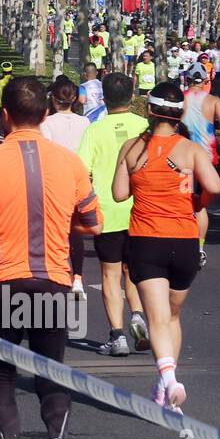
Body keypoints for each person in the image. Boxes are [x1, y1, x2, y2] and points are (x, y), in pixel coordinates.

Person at [0, 78, 102, 439]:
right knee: (52, 373)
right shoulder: (71, 163)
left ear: (4, 116)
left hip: (5, 281)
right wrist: (66, 228)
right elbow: (93, 223)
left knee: (3, 378)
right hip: (55, 281)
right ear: (46, 113)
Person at [112, 81, 220, 411]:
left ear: (149, 109)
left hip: (147, 240)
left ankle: (170, 380)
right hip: (185, 241)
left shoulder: (132, 148)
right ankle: (165, 388)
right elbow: (214, 186)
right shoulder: (190, 150)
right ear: (180, 113)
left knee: (156, 319)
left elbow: (118, 194)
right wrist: (197, 200)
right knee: (172, 316)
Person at [76, 73, 150, 356]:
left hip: (106, 210)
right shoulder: (145, 127)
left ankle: (117, 336)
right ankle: (138, 315)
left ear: (103, 98)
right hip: (140, 209)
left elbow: (82, 170)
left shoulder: (95, 129)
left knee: (110, 273)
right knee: (133, 271)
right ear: (133, 96)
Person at [40, 78, 91, 298]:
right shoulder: (85, 122)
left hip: (55, 182)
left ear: (53, 98)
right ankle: (78, 278)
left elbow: (46, 153)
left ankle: (57, 274)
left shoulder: (47, 123)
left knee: (53, 231)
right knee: (75, 231)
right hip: (81, 181)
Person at [181, 63, 220, 267]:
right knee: (200, 206)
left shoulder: (181, 98)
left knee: (182, 202)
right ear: (205, 80)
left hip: (183, 159)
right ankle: (199, 248)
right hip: (206, 159)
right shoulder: (213, 100)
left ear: (187, 79)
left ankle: (182, 242)